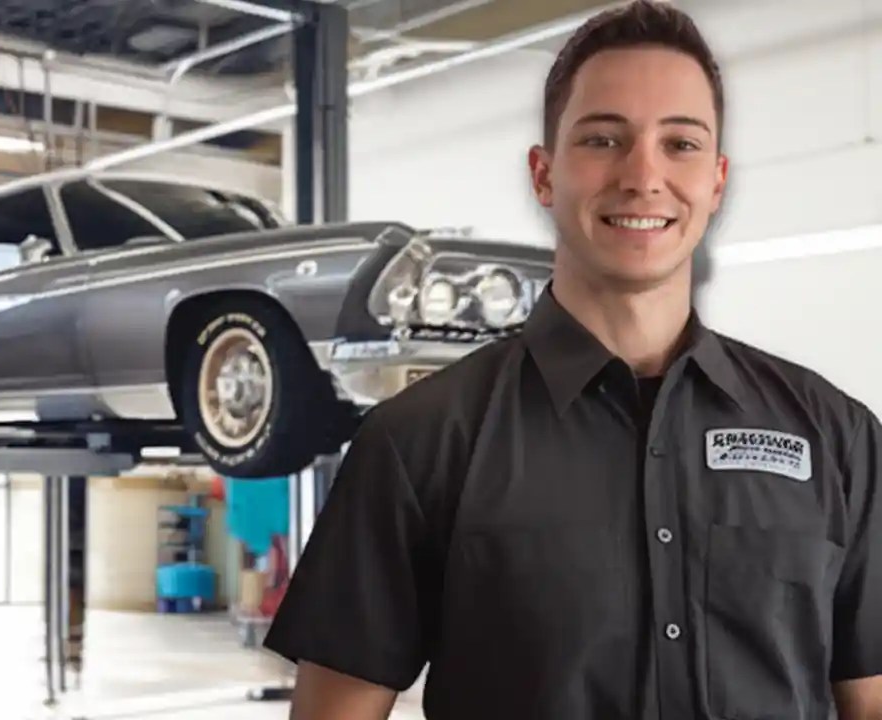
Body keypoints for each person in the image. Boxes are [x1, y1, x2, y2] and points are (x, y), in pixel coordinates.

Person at [261, 1, 882, 718]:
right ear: (544, 174)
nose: (643, 175)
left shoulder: (836, 438)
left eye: (679, 144)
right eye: (603, 139)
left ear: (716, 179)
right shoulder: (420, 443)